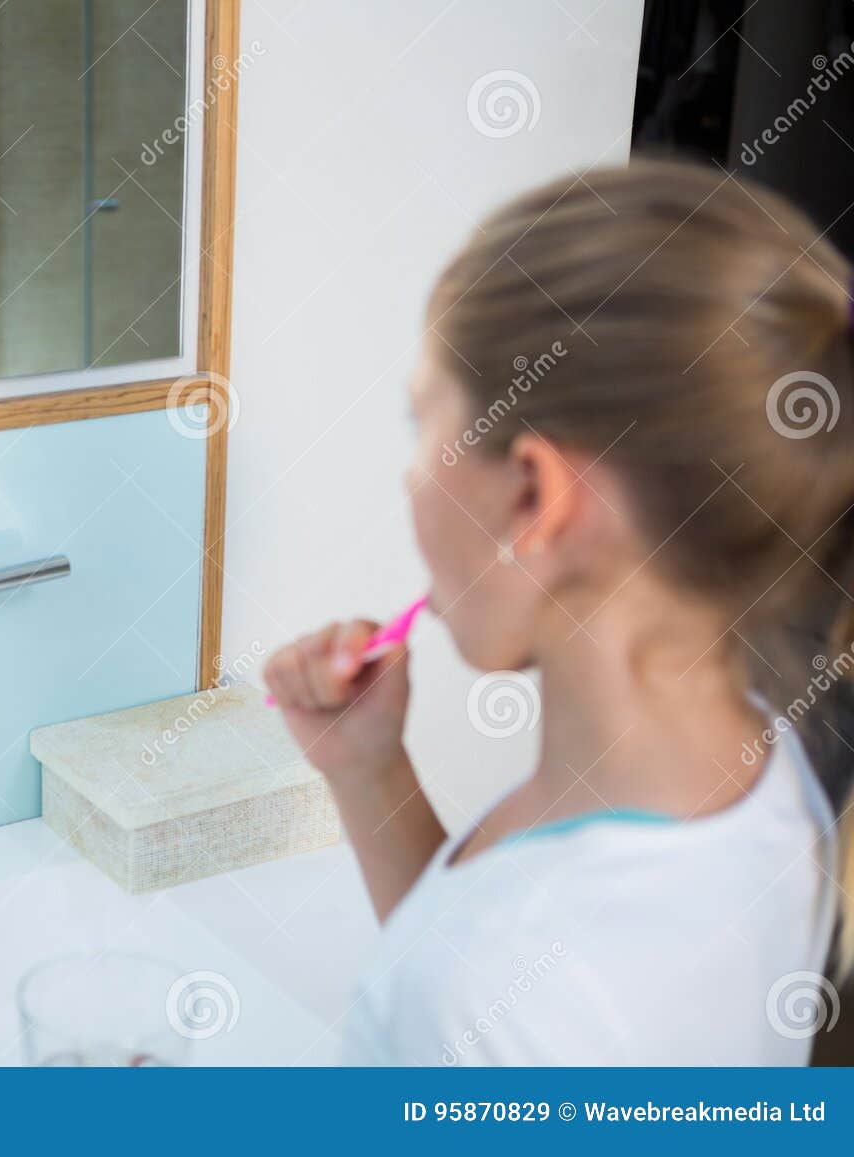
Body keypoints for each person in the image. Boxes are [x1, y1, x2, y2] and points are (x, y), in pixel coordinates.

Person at [265, 158, 853, 1064]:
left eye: (420, 421)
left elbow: (479, 1003)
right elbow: (479, 950)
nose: (410, 474)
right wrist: (370, 772)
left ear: (534, 495)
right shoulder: (771, 779)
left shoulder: (494, 1007)